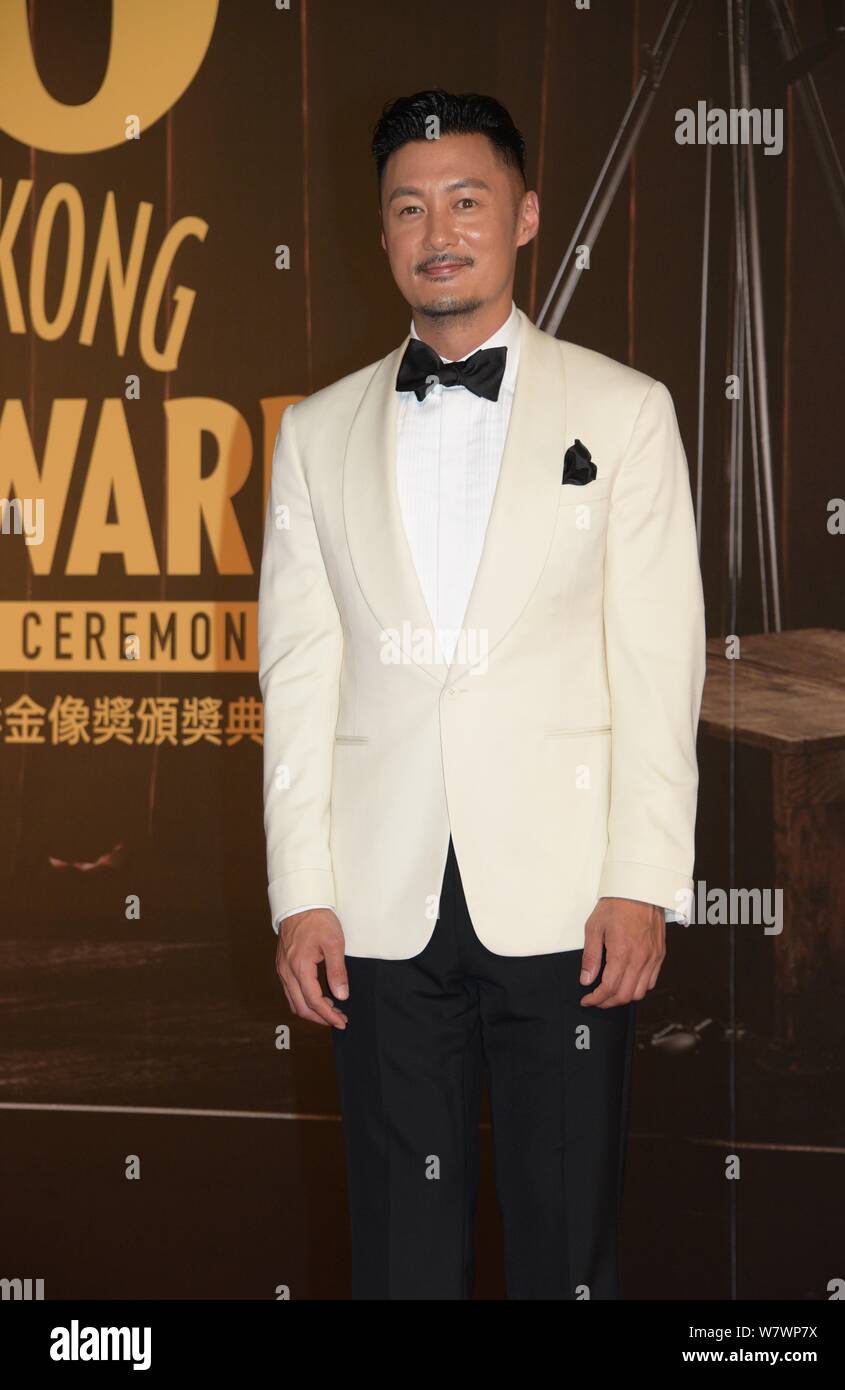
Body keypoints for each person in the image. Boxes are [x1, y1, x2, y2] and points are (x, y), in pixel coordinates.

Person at [257, 88, 705, 1300]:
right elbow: (298, 676)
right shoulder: (315, 432)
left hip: (567, 900)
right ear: (384, 232)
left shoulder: (627, 412)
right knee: (402, 1250)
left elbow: (660, 664)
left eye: (466, 200)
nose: (437, 229)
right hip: (378, 906)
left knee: (566, 1243)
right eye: (410, 207)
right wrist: (302, 893)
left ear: (524, 217)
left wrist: (640, 878)